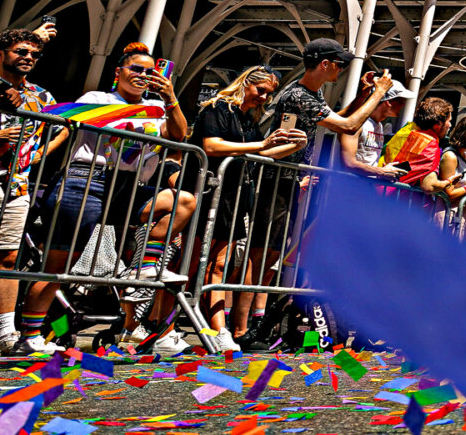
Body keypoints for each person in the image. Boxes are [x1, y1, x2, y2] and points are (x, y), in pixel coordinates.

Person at [32, 43, 193, 355]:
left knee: (182, 200)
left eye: (150, 72)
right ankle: (29, 334)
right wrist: (138, 115)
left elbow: (178, 135)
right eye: (136, 69)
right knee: (58, 264)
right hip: (86, 179)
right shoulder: (97, 99)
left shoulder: (158, 109)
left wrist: (170, 99)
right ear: (119, 72)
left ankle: (144, 268)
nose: (143, 76)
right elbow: (88, 120)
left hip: (130, 186)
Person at [189, 66, 303, 353]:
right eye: (260, 90)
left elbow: (261, 153)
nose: (264, 97)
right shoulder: (217, 108)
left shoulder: (247, 119)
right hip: (207, 192)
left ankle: (213, 327)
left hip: (231, 197)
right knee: (200, 263)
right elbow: (211, 145)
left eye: (269, 93)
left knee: (213, 264)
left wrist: (292, 146)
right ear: (245, 83)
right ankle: (214, 328)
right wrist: (263, 142)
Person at [0, 28, 61, 353]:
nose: (28, 58)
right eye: (21, 52)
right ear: (0, 54)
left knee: (7, 257)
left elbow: (61, 127)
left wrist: (34, 154)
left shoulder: (41, 97)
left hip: (14, 186)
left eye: (34, 54)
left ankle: (6, 335)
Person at [337, 73, 412, 176]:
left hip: (366, 187)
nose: (403, 104)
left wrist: (385, 170)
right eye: (401, 100)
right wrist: (381, 171)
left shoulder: (379, 126)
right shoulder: (357, 123)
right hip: (347, 187)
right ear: (389, 102)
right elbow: (349, 162)